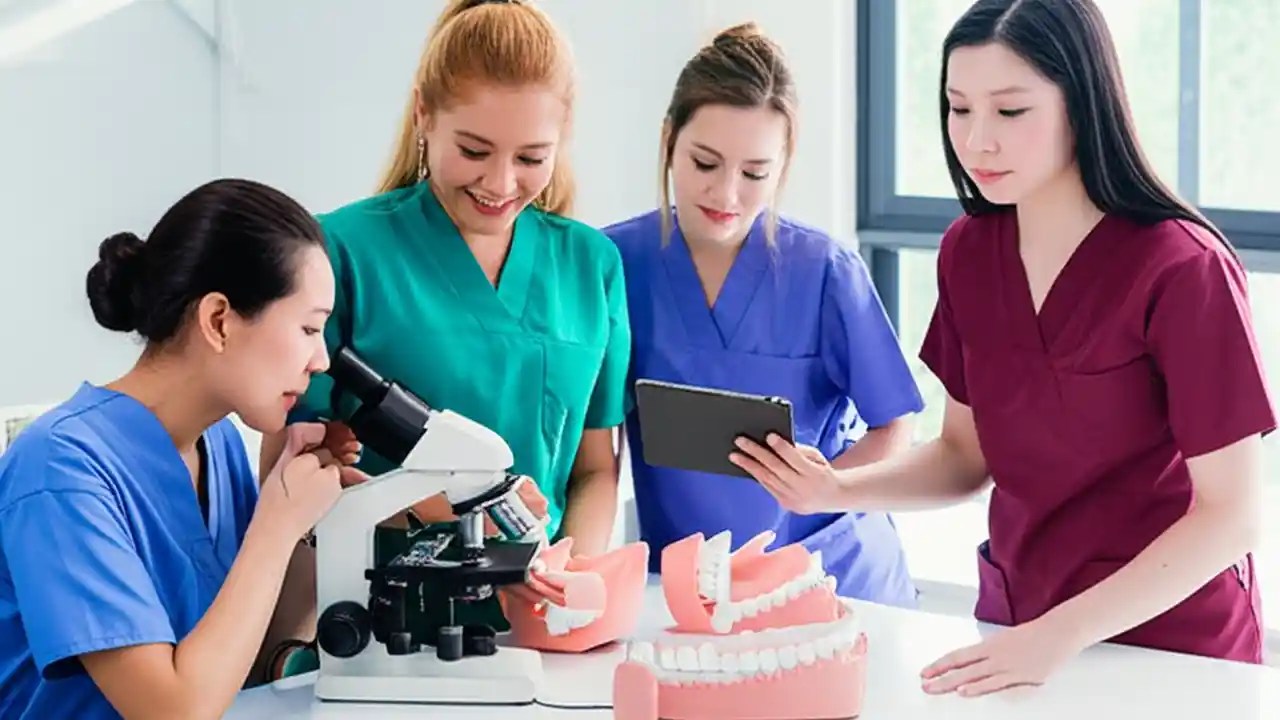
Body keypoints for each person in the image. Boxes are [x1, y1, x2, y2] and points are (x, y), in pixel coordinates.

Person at [732, 0, 1276, 696]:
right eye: (959, 109)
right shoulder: (968, 252)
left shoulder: (1184, 268)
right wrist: (838, 487)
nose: (977, 140)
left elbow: (1231, 515)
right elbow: (964, 456)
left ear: (1083, 101)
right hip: (1016, 631)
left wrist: (1061, 633)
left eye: (1010, 112)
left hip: (1170, 647)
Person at [260, 0, 630, 635]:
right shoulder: (341, 253)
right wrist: (441, 511)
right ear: (423, 115)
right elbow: (289, 469)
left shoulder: (591, 265)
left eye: (532, 157)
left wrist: (572, 580)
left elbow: (595, 467)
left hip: (537, 633)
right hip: (375, 627)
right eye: (475, 150)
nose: (501, 181)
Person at [0, 178, 360, 719]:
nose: (321, 360)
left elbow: (252, 665)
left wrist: (312, 524)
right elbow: (173, 713)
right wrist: (274, 525)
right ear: (219, 321)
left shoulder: (216, 446)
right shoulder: (60, 468)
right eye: (309, 328)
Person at [604, 23, 924, 608]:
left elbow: (896, 428)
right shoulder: (617, 264)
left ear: (783, 164)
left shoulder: (824, 270)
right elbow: (596, 440)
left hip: (833, 575)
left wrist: (827, 489)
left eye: (755, 173)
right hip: (688, 587)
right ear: (669, 139)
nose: (727, 195)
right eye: (705, 163)